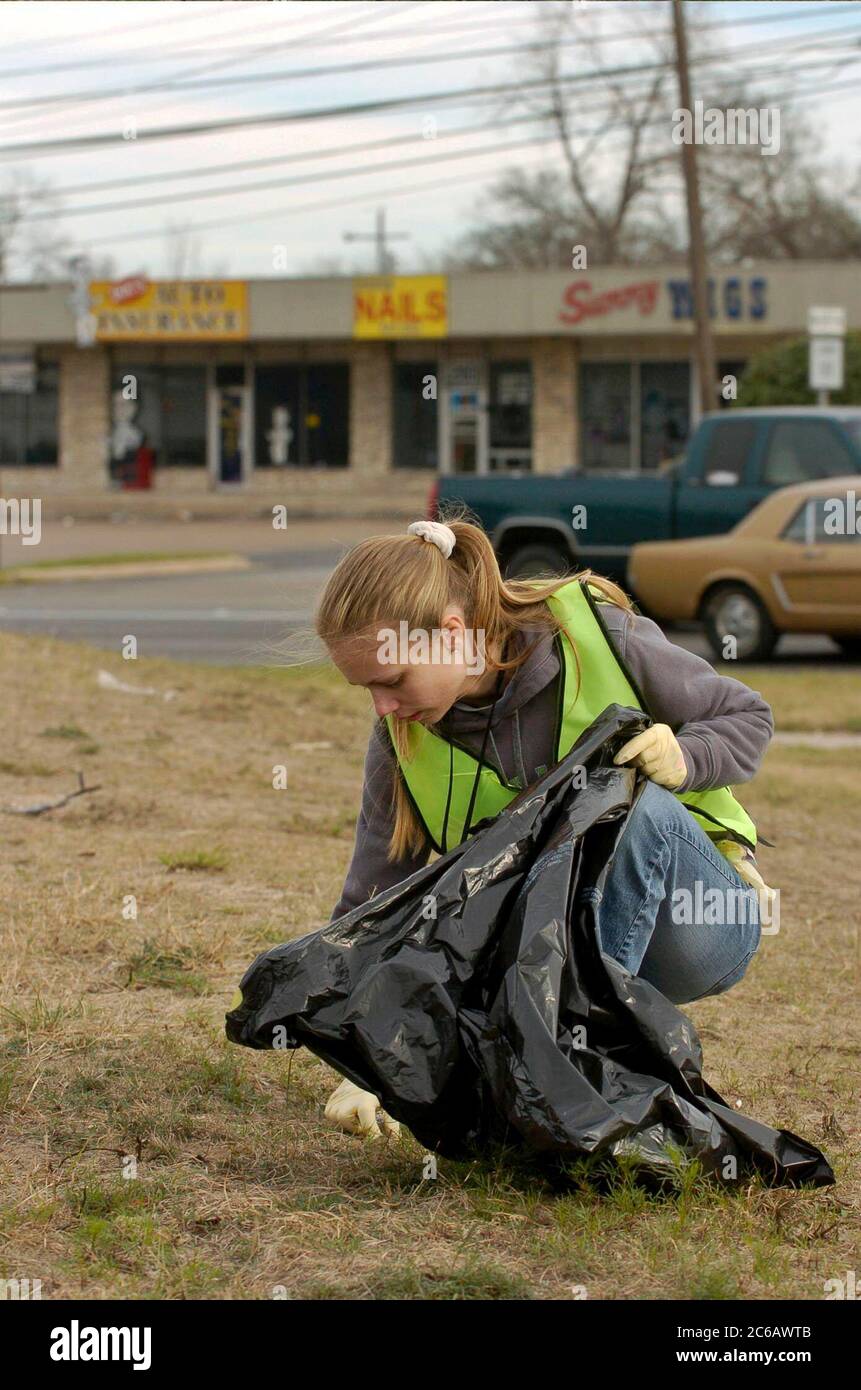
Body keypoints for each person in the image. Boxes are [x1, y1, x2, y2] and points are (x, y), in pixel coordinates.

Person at [314, 516, 776, 1139]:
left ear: (450, 634)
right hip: (546, 951)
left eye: (391, 680)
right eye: (366, 688)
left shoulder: (594, 631)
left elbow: (747, 715)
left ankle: (571, 1071)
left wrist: (687, 758)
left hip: (697, 922)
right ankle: (556, 1071)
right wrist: (365, 1055)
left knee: (635, 804)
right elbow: (371, 904)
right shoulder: (399, 741)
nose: (383, 706)